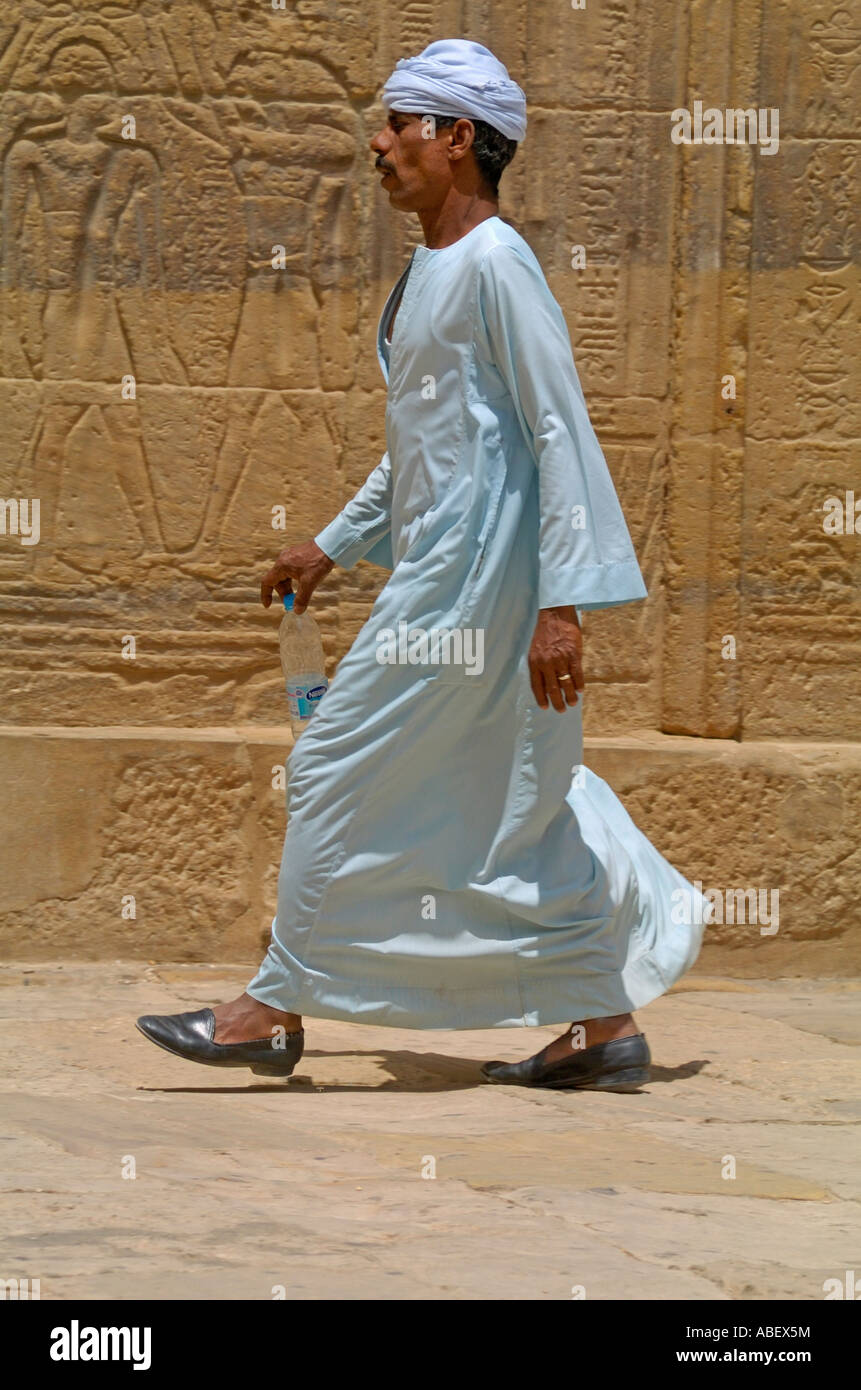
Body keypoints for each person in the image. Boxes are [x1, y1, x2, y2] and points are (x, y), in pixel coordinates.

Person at [137, 39, 706, 1090]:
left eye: (400, 123)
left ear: (458, 138)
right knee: (508, 797)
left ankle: (266, 1007)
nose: (379, 142)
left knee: (326, 763)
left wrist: (562, 605)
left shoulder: (497, 264)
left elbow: (555, 430)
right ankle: (601, 1021)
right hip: (446, 575)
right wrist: (330, 543)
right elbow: (427, 447)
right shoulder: (432, 271)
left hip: (485, 587)